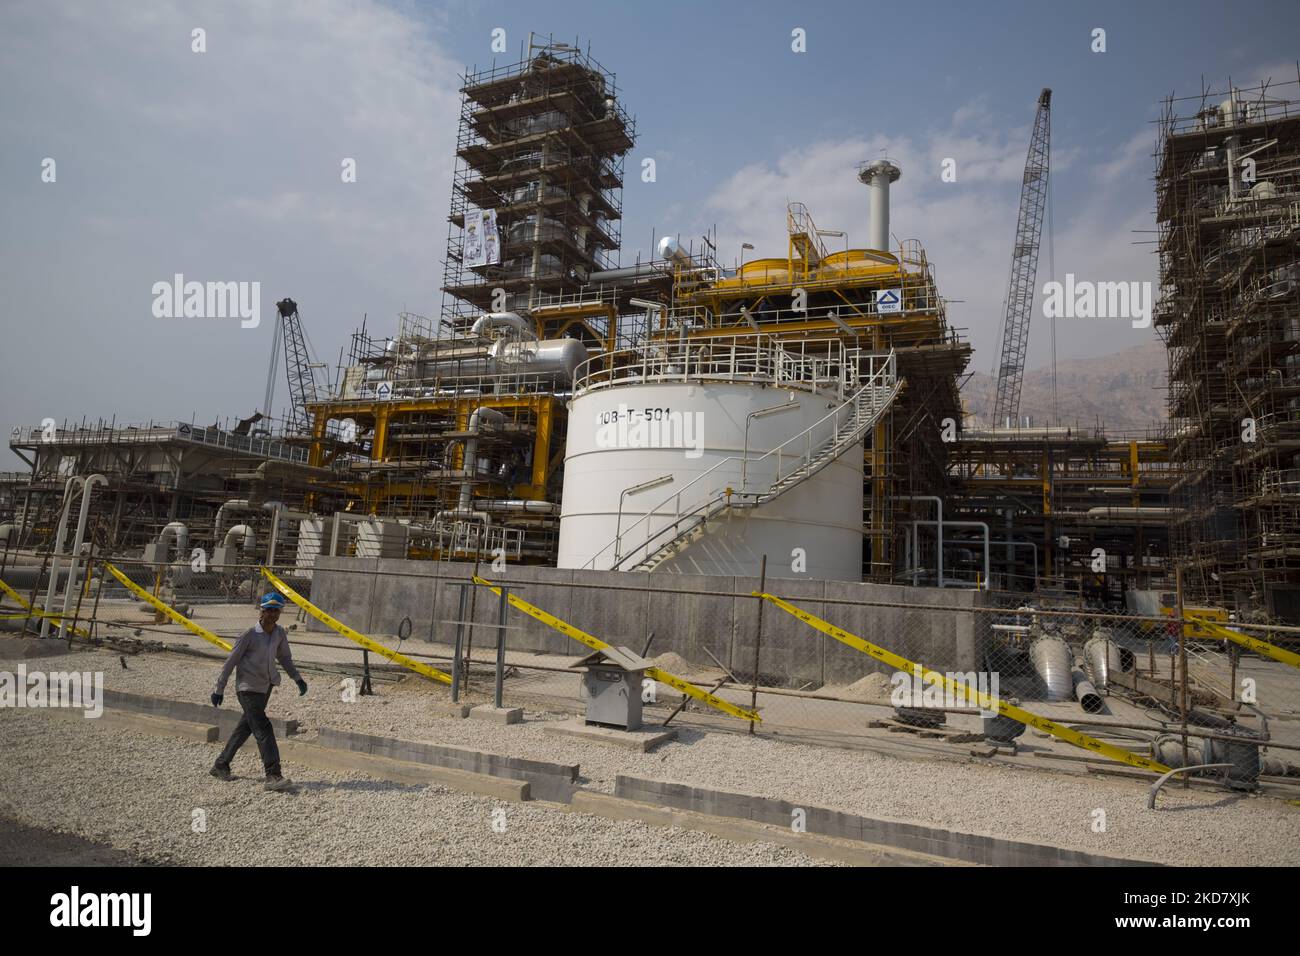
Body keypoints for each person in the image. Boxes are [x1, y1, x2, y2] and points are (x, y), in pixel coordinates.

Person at [209, 592, 307, 791]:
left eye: (275, 610)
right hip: (247, 688)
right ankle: (273, 775)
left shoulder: (279, 634)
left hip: (266, 687)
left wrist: (297, 678)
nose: (271, 614)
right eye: (268, 610)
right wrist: (219, 688)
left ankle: (221, 765)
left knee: (245, 727)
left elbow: (285, 658)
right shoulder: (249, 635)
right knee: (263, 728)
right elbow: (230, 662)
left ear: (280, 612)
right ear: (261, 611)